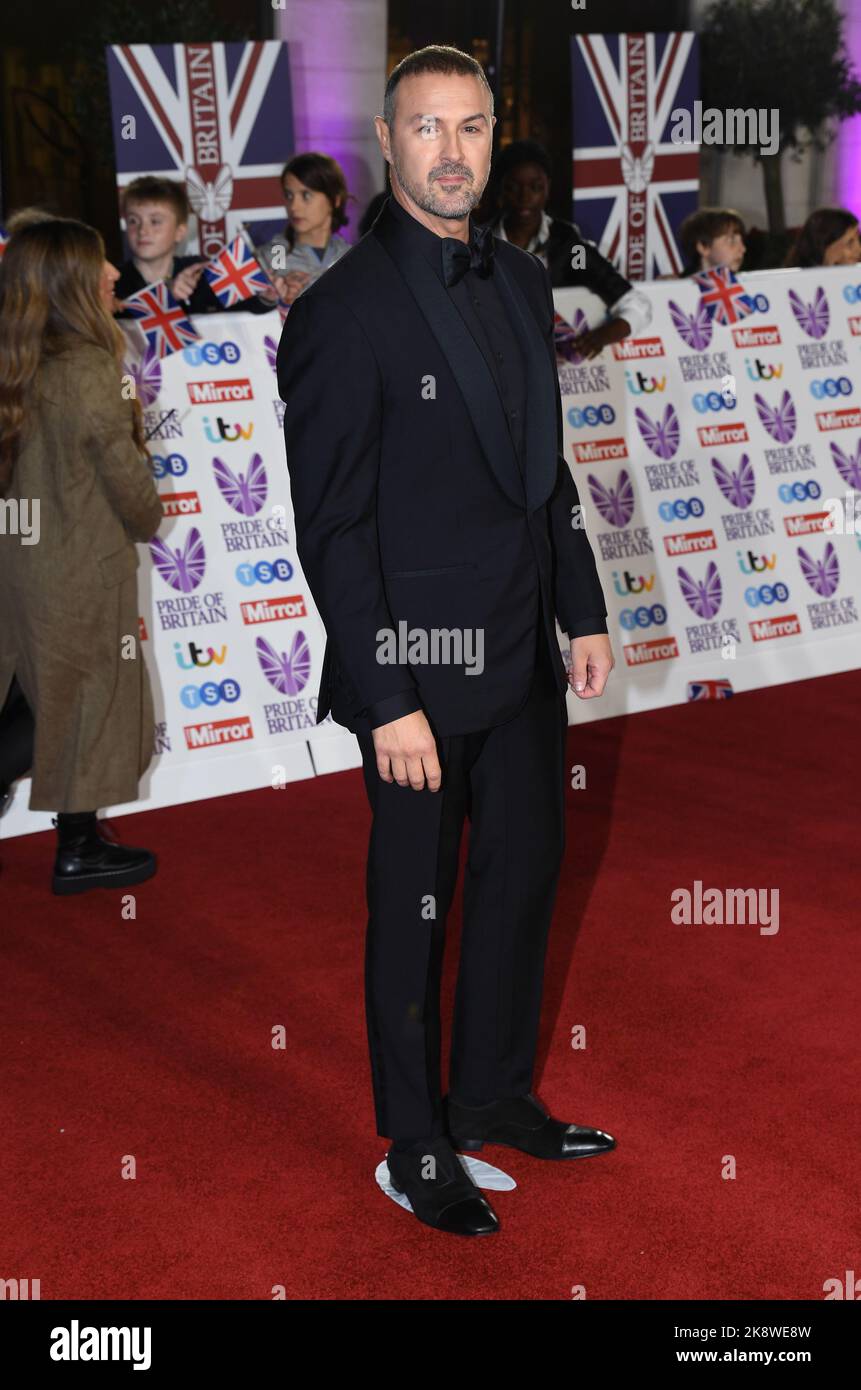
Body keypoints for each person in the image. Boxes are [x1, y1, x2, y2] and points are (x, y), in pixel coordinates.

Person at [277, 45, 616, 1238]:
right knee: (413, 910)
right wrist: (388, 699)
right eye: (430, 128)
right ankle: (414, 1142)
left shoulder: (523, 281)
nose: (455, 149)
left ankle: (494, 1093)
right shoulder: (342, 312)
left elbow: (545, 474)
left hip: (523, 652)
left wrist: (579, 607)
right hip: (416, 668)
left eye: (473, 126)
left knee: (522, 878)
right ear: (389, 139)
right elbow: (334, 528)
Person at [0, 218, 163, 893]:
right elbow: (126, 478)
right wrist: (149, 516)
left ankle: (79, 842)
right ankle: (76, 847)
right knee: (69, 703)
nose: (115, 274)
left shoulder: (16, 357)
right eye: (100, 263)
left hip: (24, 564)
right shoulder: (90, 367)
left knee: (51, 699)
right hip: (78, 567)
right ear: (70, 281)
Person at [485, 138, 651, 358]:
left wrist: (600, 337)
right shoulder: (477, 243)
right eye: (513, 188)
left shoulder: (570, 246)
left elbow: (638, 305)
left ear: (547, 189)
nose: (525, 198)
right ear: (500, 190)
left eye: (535, 187)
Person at [113, 176, 277, 317]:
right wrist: (165, 296)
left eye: (155, 221)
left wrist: (265, 296)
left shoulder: (198, 273)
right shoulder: (112, 281)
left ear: (180, 231)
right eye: (133, 221)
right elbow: (113, 318)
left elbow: (243, 309)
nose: (142, 230)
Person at [255, 153, 353, 307]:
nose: (294, 206)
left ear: (335, 200)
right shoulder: (272, 257)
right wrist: (267, 300)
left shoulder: (351, 258)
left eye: (306, 195)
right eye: (289, 195)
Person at [677, 205, 746, 276]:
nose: (743, 249)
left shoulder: (747, 283)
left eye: (742, 241)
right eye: (731, 241)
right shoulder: (679, 286)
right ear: (703, 247)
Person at [784, 206, 861, 267]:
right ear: (824, 246)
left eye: (859, 239)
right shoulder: (790, 282)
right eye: (850, 243)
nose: (859, 249)